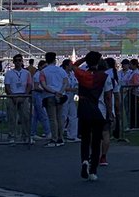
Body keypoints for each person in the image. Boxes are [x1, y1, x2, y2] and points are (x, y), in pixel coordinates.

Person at [72, 51, 109, 181]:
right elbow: (108, 96)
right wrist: (111, 113)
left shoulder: (82, 75)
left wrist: (83, 59)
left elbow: (73, 66)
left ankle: (84, 161)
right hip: (99, 111)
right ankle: (93, 170)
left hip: (84, 110)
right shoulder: (104, 76)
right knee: (96, 141)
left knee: (85, 139)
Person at [38, 53, 68, 148]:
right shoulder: (61, 70)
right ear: (55, 60)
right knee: (60, 118)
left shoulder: (43, 72)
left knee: (52, 118)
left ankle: (54, 138)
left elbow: (43, 85)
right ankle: (60, 137)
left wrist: (54, 92)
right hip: (61, 95)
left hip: (49, 95)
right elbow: (65, 82)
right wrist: (60, 92)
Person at [3, 53, 32, 146]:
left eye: (20, 60)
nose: (18, 62)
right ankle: (12, 137)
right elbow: (7, 86)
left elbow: (29, 85)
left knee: (26, 117)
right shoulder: (9, 73)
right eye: (16, 61)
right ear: (14, 62)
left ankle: (26, 136)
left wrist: (25, 95)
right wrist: (12, 96)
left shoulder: (26, 73)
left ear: (22, 61)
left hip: (23, 96)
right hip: (13, 96)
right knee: (12, 118)